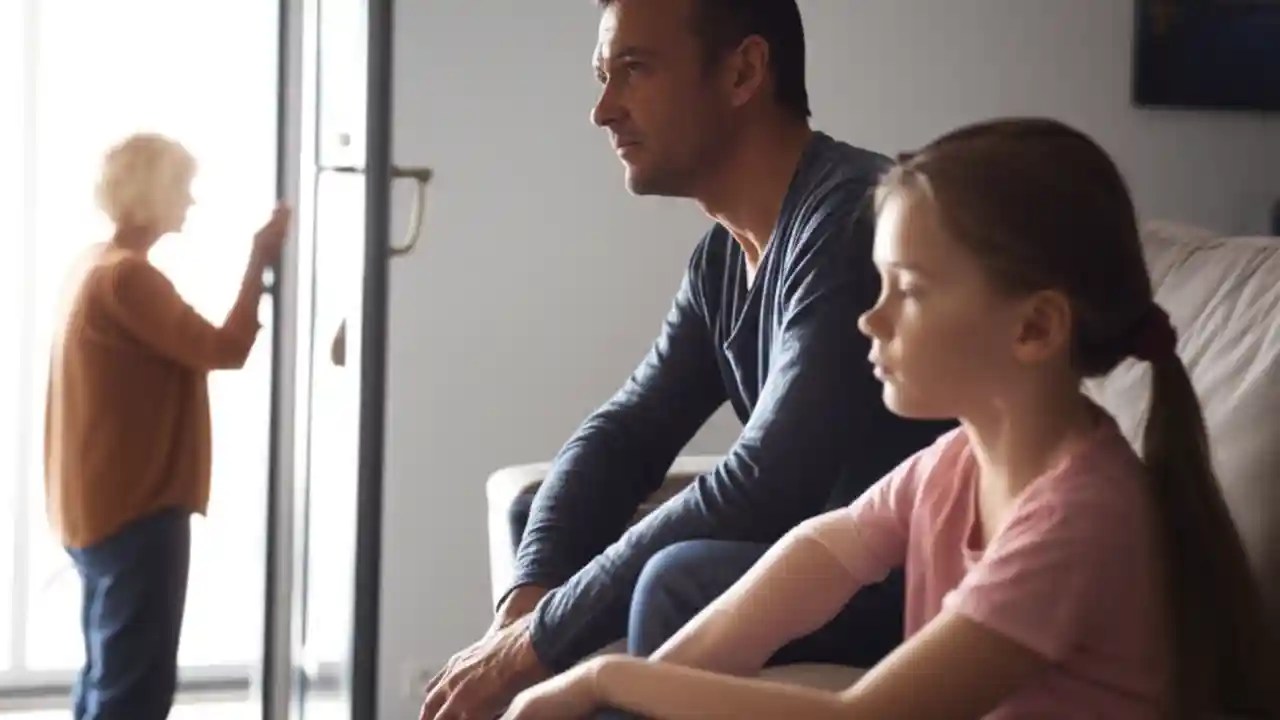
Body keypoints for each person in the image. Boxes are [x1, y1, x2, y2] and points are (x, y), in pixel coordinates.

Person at [502, 118, 1279, 719]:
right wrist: (630, 695)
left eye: (907, 289)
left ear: (1035, 329)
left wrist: (603, 676)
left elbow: (868, 715)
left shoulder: (1081, 516)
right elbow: (815, 558)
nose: (869, 320)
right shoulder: (957, 464)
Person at [418, 1, 950, 718]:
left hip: (898, 578)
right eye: (603, 77)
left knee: (676, 579)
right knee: (535, 523)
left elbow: (768, 481)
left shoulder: (850, 218)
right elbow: (624, 435)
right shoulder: (721, 262)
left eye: (633, 71)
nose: (602, 111)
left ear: (743, 71)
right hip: (810, 561)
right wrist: (526, 607)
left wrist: (535, 642)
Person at [45, 132, 290, 720]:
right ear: (149, 192)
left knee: (106, 673)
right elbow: (225, 348)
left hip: (95, 508)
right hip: (136, 510)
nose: (191, 201)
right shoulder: (128, 278)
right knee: (134, 690)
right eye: (182, 186)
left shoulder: (93, 266)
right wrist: (260, 258)